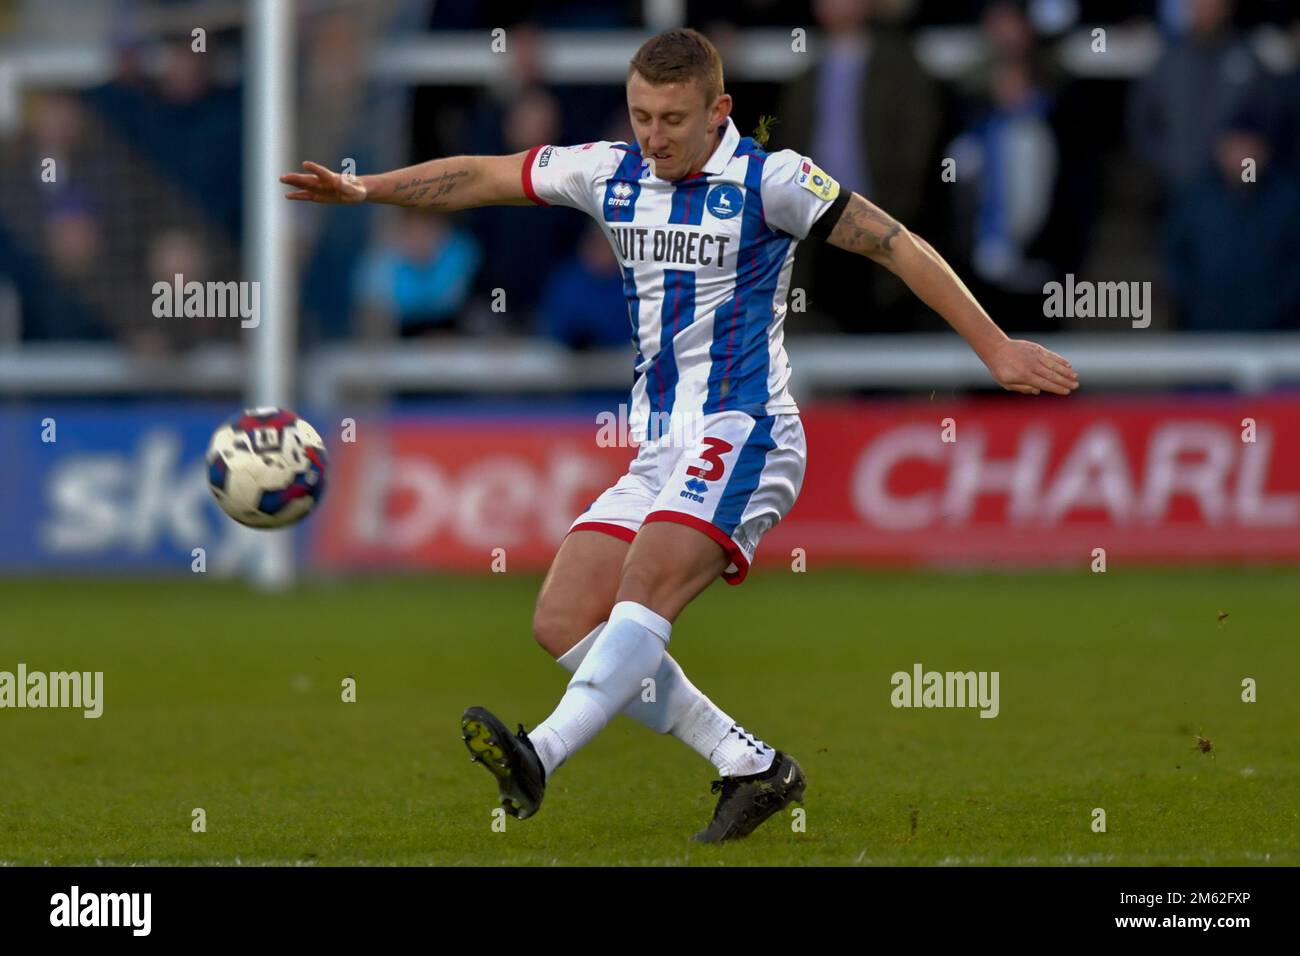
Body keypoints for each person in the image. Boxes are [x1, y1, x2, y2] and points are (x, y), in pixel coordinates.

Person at [281, 27, 1079, 842]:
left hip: (749, 430)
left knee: (646, 583)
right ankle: (752, 766)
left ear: (718, 110)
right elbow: (482, 177)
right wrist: (366, 189)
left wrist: (994, 348)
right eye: (640, 116)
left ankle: (541, 754)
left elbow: (896, 244)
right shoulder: (610, 171)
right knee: (563, 620)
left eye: (671, 118)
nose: (653, 137)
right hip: (661, 443)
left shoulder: (772, 180)